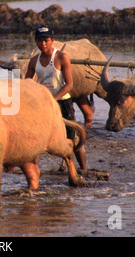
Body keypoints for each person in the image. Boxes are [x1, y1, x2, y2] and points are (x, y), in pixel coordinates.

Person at [25, 25, 86, 171]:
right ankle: (36, 170)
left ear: (52, 40)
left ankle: (84, 169)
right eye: (40, 41)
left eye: (46, 40)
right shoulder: (34, 61)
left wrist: (53, 99)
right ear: (36, 42)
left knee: (72, 138)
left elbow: (69, 84)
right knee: (39, 138)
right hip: (44, 105)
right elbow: (26, 84)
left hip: (63, 102)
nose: (43, 44)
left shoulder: (61, 57)